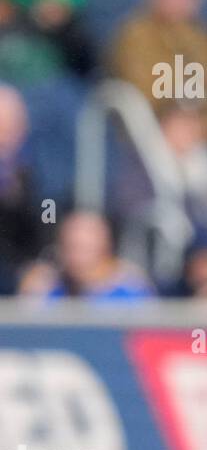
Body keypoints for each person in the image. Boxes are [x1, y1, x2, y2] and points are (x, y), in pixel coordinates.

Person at [110, 0, 207, 169]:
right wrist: (181, 116)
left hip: (199, 126)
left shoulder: (201, 38)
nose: (180, 1)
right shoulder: (135, 35)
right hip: (156, 124)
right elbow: (143, 89)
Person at [19, 209, 155, 302]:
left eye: (83, 248)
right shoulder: (52, 286)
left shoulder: (131, 290)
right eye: (70, 247)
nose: (76, 257)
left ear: (105, 246)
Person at [0, 85, 45, 293]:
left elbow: (49, 215)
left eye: (10, 126)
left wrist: (41, 263)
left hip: (21, 270)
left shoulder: (38, 171)